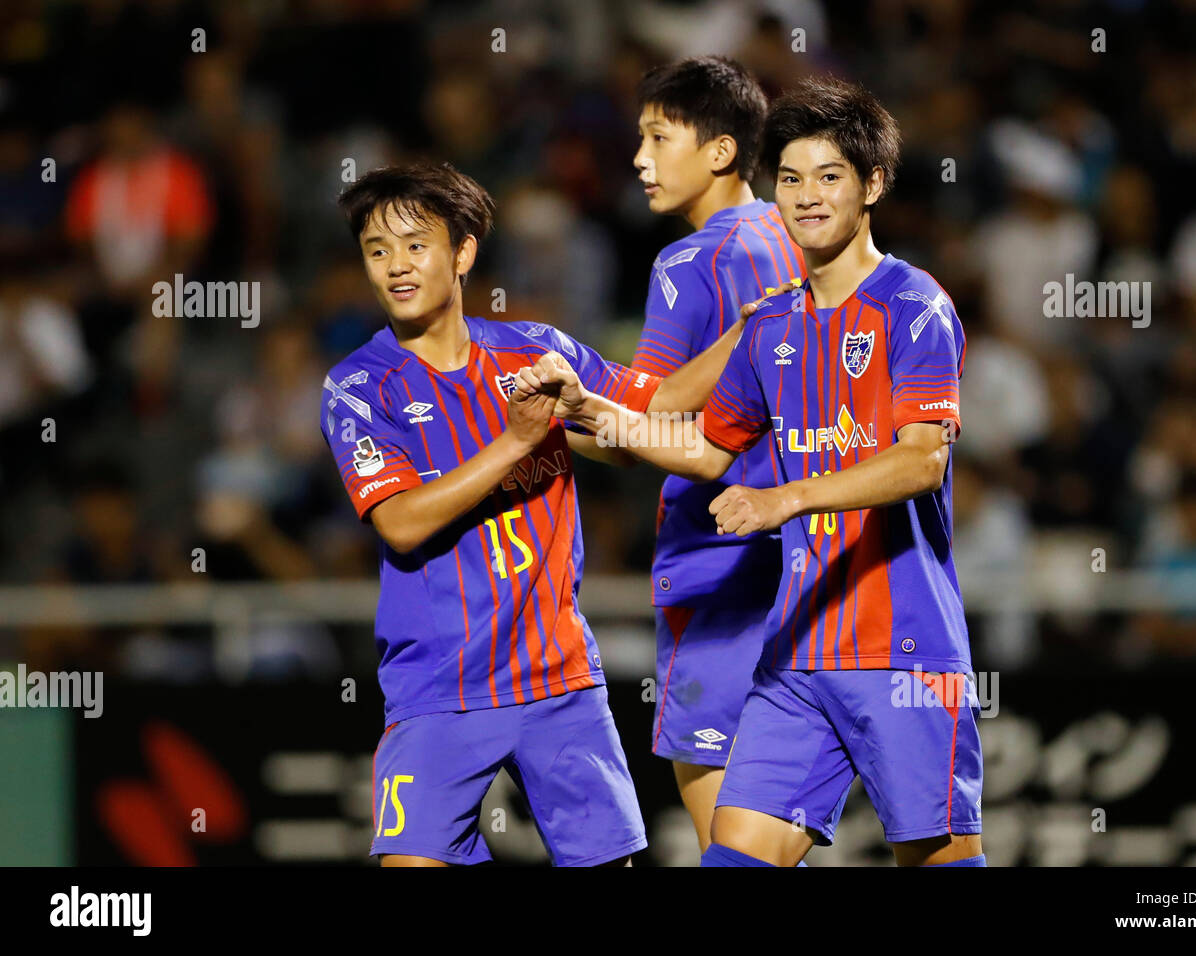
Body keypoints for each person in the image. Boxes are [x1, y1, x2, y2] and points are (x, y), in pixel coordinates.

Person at [517, 77, 984, 867]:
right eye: (791, 179)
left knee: (938, 859)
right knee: (732, 855)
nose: (805, 197)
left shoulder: (915, 304)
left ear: (873, 185)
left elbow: (920, 458)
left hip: (900, 650)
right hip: (796, 653)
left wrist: (787, 500)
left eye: (829, 177)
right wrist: (589, 410)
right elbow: (705, 449)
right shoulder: (770, 325)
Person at [320, 161, 735, 867]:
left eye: (415, 245)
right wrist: (514, 441)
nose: (396, 266)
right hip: (437, 689)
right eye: (376, 250)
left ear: (463, 252)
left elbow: (647, 415)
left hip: (558, 681)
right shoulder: (359, 387)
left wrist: (749, 332)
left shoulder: (533, 352)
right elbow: (401, 522)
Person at [630, 56, 803, 849]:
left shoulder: (688, 261)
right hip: (813, 569)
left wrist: (548, 425)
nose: (640, 158)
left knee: (728, 856)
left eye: (660, 137)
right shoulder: (802, 237)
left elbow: (643, 417)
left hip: (716, 574)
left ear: (722, 151)